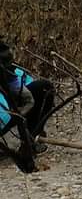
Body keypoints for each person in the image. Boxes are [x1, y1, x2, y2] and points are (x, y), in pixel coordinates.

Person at [0, 41, 55, 171]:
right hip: (6, 113)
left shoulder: (8, 68)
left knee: (44, 88)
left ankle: (29, 141)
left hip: (7, 111)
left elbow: (22, 83)